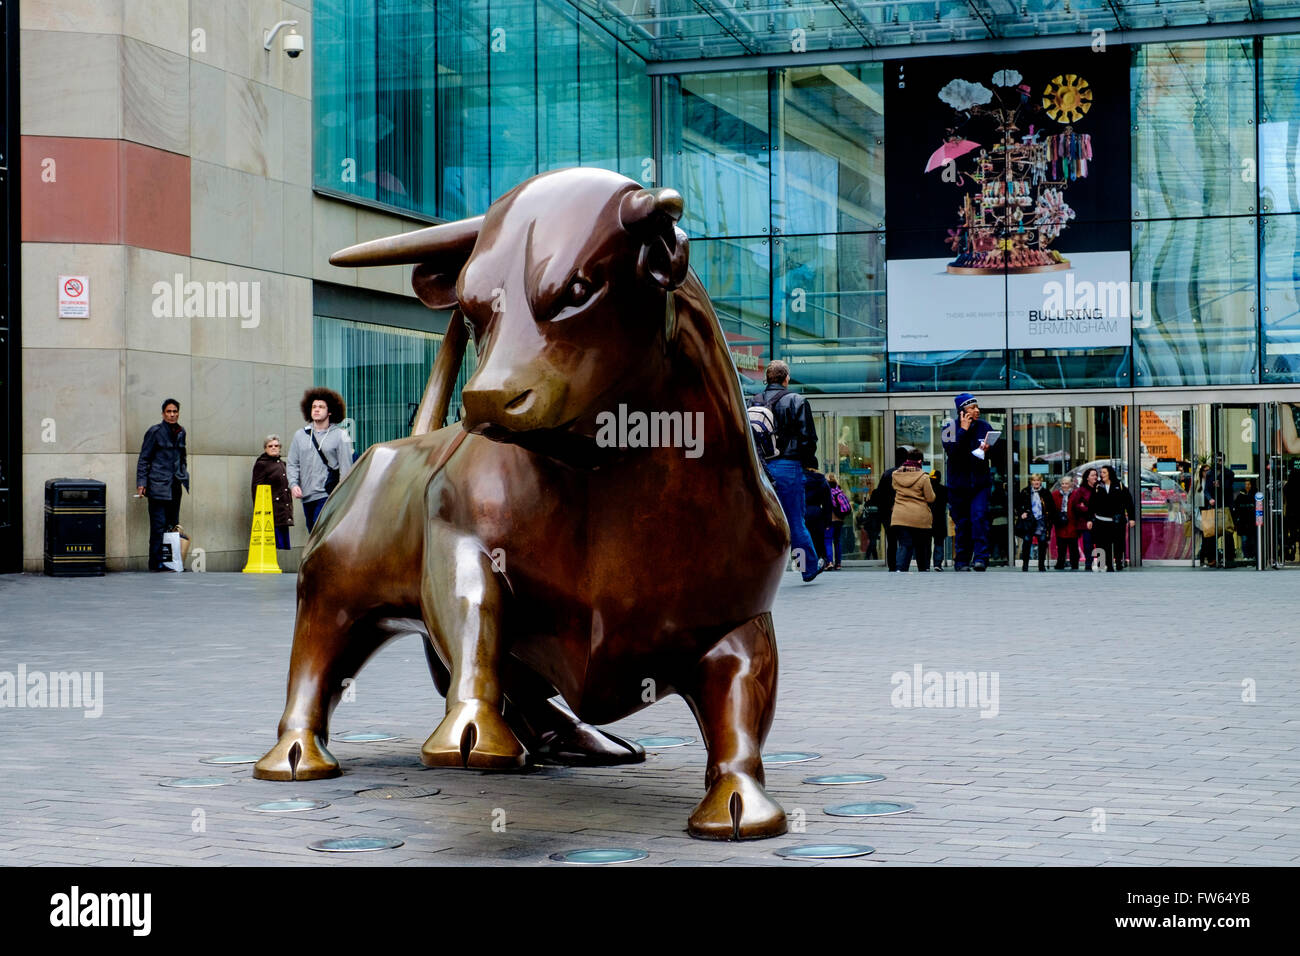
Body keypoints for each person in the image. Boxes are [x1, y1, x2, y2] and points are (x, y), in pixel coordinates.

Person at [748, 361, 822, 582]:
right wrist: (809, 463)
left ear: (767, 378)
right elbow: (808, 439)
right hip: (788, 466)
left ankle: (758, 569)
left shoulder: (754, 401)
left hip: (761, 467)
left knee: (761, 521)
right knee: (795, 520)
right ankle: (805, 568)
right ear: (786, 378)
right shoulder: (797, 400)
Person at [287, 387, 355, 535]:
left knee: (319, 534)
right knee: (313, 534)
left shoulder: (341, 435)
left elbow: (346, 469)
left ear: (330, 411)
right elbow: (292, 463)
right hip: (306, 496)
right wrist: (293, 484)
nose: (316, 410)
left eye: (321, 407)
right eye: (314, 406)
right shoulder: (300, 435)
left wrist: (342, 497)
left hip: (327, 495)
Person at [942, 393, 994, 571]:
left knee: (979, 518)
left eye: (977, 407)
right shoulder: (949, 426)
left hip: (979, 484)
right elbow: (951, 452)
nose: (977, 410)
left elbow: (995, 454)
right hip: (958, 486)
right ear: (962, 411)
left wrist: (988, 450)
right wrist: (963, 430)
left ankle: (980, 559)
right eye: (972, 408)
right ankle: (962, 560)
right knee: (962, 523)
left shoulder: (985, 426)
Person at [136, 398, 190, 572]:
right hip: (158, 485)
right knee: (158, 526)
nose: (172, 414)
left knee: (172, 524)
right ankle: (156, 562)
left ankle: (171, 561)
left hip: (175, 485)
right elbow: (144, 459)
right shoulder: (155, 432)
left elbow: (183, 456)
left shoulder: (181, 432)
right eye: (169, 411)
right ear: (163, 413)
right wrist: (141, 483)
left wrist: (183, 473)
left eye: (175, 411)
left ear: (178, 413)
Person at [891, 448, 935, 572]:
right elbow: (930, 498)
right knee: (921, 545)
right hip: (919, 517)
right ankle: (923, 569)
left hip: (899, 516)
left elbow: (895, 488)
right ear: (920, 461)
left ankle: (900, 569)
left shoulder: (895, 475)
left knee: (905, 544)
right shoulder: (924, 477)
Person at [1088, 464, 1135, 571]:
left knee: (1118, 542)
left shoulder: (1119, 485)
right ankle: (1108, 564)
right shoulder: (1098, 486)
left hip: (1117, 521)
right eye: (1101, 473)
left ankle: (1118, 562)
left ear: (1110, 473)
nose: (1102, 475)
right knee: (1104, 543)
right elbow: (1092, 504)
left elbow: (1128, 503)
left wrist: (1131, 518)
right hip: (1101, 521)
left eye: (1104, 472)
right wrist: (1090, 519)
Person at [251, 434, 294, 550]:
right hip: (270, 510)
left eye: (276, 445)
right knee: (270, 542)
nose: (274, 448)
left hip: (283, 509)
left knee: (278, 544)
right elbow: (256, 488)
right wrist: (260, 509)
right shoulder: (262, 464)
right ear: (265, 448)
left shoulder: (283, 464)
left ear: (280, 447)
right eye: (270, 446)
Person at [870, 447, 906, 570]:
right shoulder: (906, 473)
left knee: (891, 541)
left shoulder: (887, 473)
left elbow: (879, 493)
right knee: (904, 540)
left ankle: (892, 566)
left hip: (887, 513)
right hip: (903, 510)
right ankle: (902, 564)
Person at [1014, 473, 1052, 571]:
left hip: (1041, 520)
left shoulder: (1046, 492)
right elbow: (1017, 505)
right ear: (1031, 482)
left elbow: (1051, 507)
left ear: (1041, 481)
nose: (1036, 482)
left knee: (1042, 542)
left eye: (1038, 480)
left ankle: (1041, 565)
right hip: (1029, 520)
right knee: (1027, 541)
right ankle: (1025, 564)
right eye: (1034, 480)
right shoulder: (1025, 491)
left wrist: (1050, 518)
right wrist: (1021, 513)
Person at [1051, 474, 1082, 570]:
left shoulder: (1076, 494)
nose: (1064, 485)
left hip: (1072, 524)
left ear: (1071, 484)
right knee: (1061, 547)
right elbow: (1052, 509)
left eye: (1066, 484)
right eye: (1063, 484)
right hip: (1060, 525)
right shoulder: (1055, 494)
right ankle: (1060, 564)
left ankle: (1074, 565)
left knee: (1073, 547)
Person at [803, 464, 832, 567]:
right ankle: (819, 561)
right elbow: (827, 503)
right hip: (816, 513)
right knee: (817, 538)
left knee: (801, 538)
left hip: (801, 511)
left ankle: (801, 564)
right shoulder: (821, 480)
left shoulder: (799, 477)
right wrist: (828, 521)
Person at [826, 474, 852, 570]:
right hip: (840, 520)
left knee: (828, 540)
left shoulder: (827, 492)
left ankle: (829, 562)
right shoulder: (839, 490)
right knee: (837, 541)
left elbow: (827, 507)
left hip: (831, 520)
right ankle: (838, 563)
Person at [1076, 467, 1099, 570]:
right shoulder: (1081, 490)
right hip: (1086, 521)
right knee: (1088, 543)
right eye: (1093, 475)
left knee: (1100, 543)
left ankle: (1101, 564)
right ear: (1087, 478)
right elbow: (1076, 505)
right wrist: (1088, 509)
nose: (1095, 477)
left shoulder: (1099, 488)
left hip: (1099, 520)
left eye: (1096, 475)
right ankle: (1088, 564)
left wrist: (1086, 506)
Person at [930, 466, 949, 571]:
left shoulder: (927, 488)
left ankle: (924, 564)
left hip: (927, 518)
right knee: (939, 543)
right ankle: (937, 564)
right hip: (940, 519)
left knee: (926, 543)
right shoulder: (944, 489)